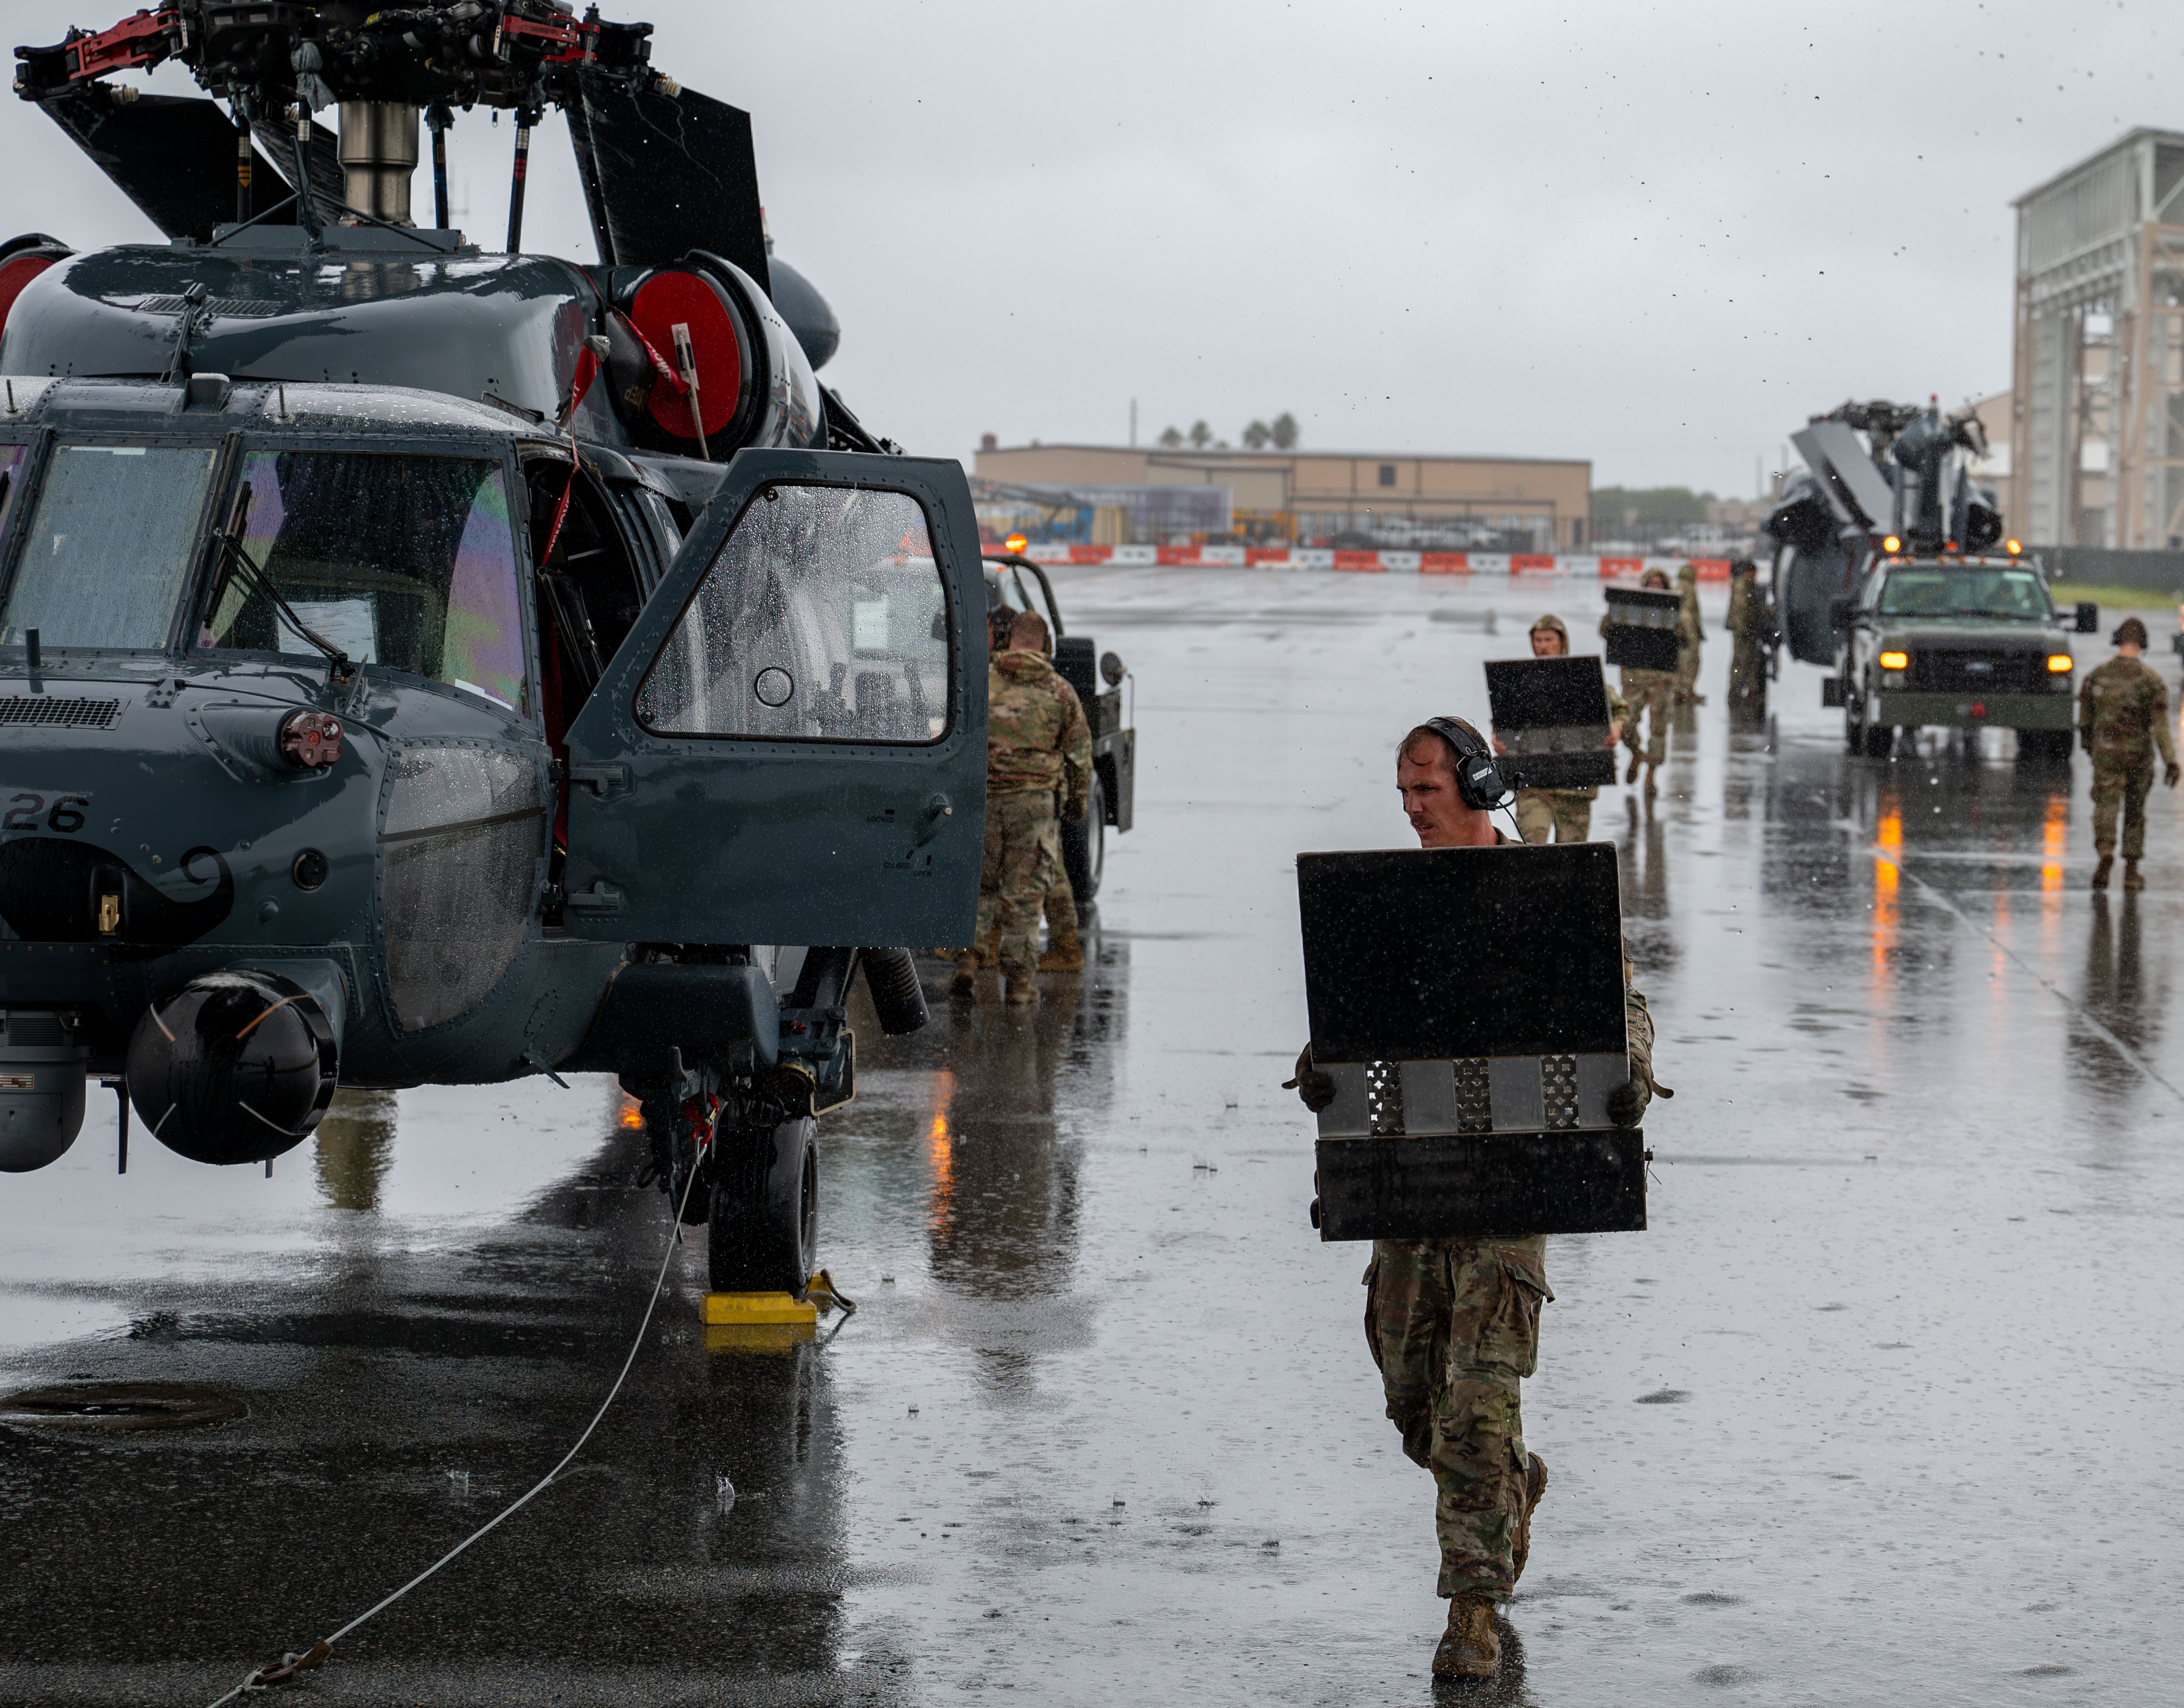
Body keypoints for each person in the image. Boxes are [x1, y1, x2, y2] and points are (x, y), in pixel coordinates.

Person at [1284, 717, 1662, 1682]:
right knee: (1413, 1402)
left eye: (1427, 789)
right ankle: (1507, 1487)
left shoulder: (1543, 892)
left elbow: (1621, 1003)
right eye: (1402, 791)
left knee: (1475, 1405)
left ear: (1476, 783)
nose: (1411, 808)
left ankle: (1470, 1612)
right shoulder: (1384, 897)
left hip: (1508, 1180)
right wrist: (1317, 1070)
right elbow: (1348, 1018)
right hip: (1407, 1179)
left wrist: (1630, 1074)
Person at [958, 609, 1090, 1003]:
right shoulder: (1060, 691)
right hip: (1032, 806)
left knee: (979, 887)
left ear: (1007, 640)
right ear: (1045, 644)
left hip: (982, 802)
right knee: (1024, 896)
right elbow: (1080, 755)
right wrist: (1077, 802)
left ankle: (967, 959)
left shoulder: (981, 683)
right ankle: (1017, 985)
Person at [1497, 614, 1625, 844]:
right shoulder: (1520, 683)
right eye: (1538, 640)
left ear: (1562, 642)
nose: (1543, 646)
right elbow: (1505, 723)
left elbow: (1619, 709)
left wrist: (1615, 729)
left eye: (1549, 640)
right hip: (1533, 780)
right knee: (1533, 851)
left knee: (1570, 856)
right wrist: (1500, 740)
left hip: (1575, 782)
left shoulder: (1583, 680)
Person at [2078, 616, 2179, 891]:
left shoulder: (2097, 676)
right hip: (2138, 757)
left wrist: (2092, 749)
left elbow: (2085, 722)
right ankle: (2132, 873)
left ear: (2118, 640)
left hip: (2106, 755)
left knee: (2105, 806)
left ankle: (2105, 851)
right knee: (2135, 812)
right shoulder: (2152, 682)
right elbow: (2160, 727)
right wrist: (2171, 761)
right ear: (2142, 643)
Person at [1607, 566, 1675, 795]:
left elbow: (1686, 636)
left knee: (1658, 730)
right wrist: (1619, 615)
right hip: (1634, 678)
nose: (1656, 587)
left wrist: (1676, 620)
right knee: (1626, 724)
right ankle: (1636, 753)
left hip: (1662, 680)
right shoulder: (1631, 608)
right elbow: (1606, 629)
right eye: (1652, 583)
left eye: (1660, 583)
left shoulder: (1674, 609)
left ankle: (1651, 775)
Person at [1725, 558, 1768, 713]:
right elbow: (1741, 609)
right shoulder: (1742, 586)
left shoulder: (1746, 585)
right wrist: (1744, 628)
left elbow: (1754, 607)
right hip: (1744, 631)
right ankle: (1735, 693)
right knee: (1741, 661)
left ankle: (1746, 691)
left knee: (1748, 661)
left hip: (1746, 630)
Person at [1672, 562, 1705, 706]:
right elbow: (1689, 613)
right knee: (1689, 662)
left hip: (1688, 632)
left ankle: (1683, 690)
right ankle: (1684, 691)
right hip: (1688, 633)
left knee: (1685, 661)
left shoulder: (1681, 587)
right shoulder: (1686, 588)